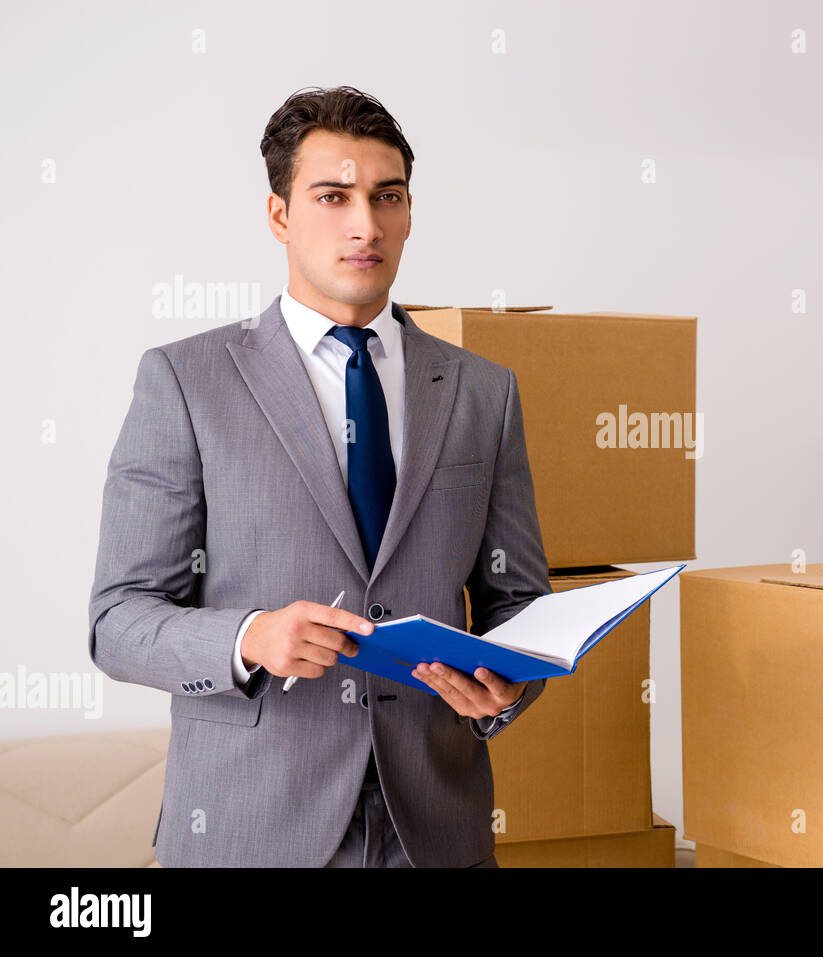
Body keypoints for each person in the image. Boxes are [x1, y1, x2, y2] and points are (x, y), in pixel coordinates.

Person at [87, 85, 550, 867]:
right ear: (280, 216)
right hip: (252, 832)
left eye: (386, 197)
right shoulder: (185, 381)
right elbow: (117, 621)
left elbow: (518, 600)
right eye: (332, 197)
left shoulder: (483, 390)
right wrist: (249, 636)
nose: (364, 224)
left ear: (408, 212)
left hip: (436, 832)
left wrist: (512, 685)